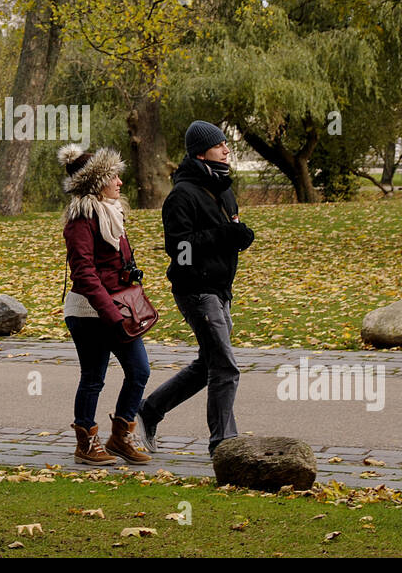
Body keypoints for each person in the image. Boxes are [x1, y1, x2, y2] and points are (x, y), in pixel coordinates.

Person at [136, 121, 255, 457]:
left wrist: (239, 238)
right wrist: (222, 236)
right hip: (196, 291)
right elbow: (181, 250)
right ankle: (223, 443)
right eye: (220, 146)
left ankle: (150, 410)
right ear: (202, 152)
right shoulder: (181, 196)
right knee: (225, 366)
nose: (227, 150)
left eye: (225, 145)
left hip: (219, 289)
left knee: (208, 365)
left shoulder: (224, 190)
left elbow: (223, 236)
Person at [59, 143, 152, 465]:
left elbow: (114, 266)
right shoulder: (80, 220)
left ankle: (120, 437)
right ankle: (86, 442)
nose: (119, 181)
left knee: (139, 371)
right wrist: (112, 314)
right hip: (89, 313)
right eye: (113, 175)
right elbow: (84, 273)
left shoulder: (112, 213)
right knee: (94, 377)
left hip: (117, 310)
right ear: (96, 182)